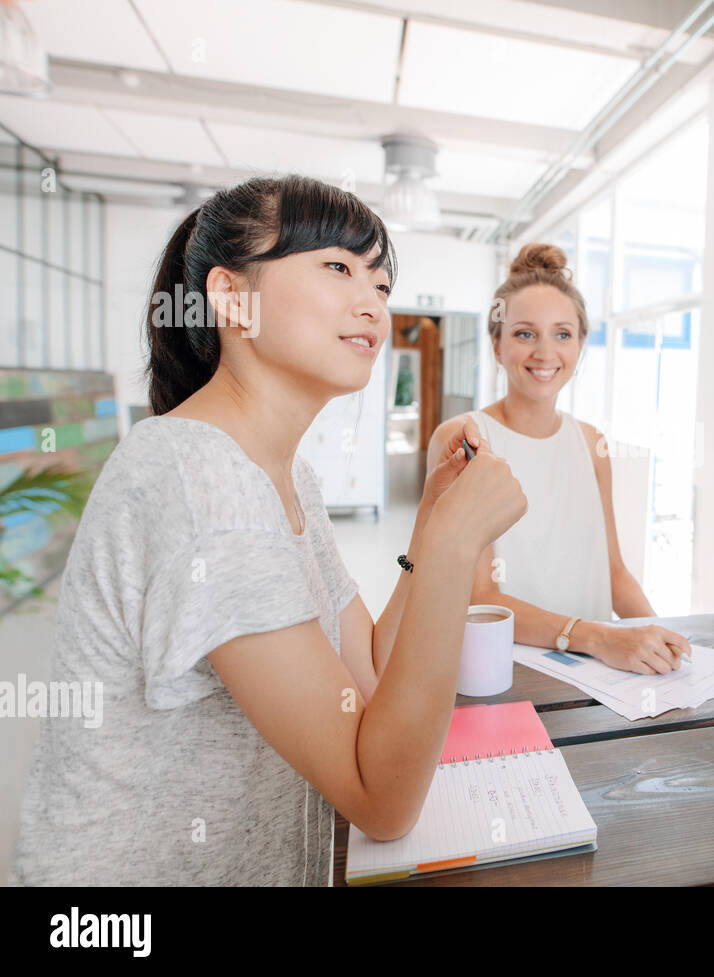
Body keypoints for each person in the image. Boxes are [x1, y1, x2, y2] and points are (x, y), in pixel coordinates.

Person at [9, 174, 526, 885]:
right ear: (230, 296)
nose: (372, 303)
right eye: (338, 267)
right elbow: (383, 799)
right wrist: (453, 552)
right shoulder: (197, 474)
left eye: (380, 283)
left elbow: (368, 669)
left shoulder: (285, 476)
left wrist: (432, 518)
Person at [430, 243, 689, 676]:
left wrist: (663, 639)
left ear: (581, 345)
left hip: (599, 672)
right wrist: (598, 637)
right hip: (504, 670)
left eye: (562, 334)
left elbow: (615, 574)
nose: (545, 353)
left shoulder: (591, 443)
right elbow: (480, 596)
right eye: (524, 333)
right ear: (496, 345)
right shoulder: (467, 438)